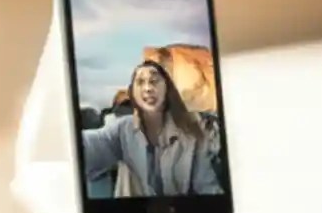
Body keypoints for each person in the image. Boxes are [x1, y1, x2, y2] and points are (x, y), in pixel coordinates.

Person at [82, 60, 222, 197]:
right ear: (133, 93)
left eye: (154, 81)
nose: (148, 88)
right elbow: (90, 146)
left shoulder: (190, 134)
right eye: (140, 82)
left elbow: (207, 186)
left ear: (167, 88)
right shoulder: (122, 129)